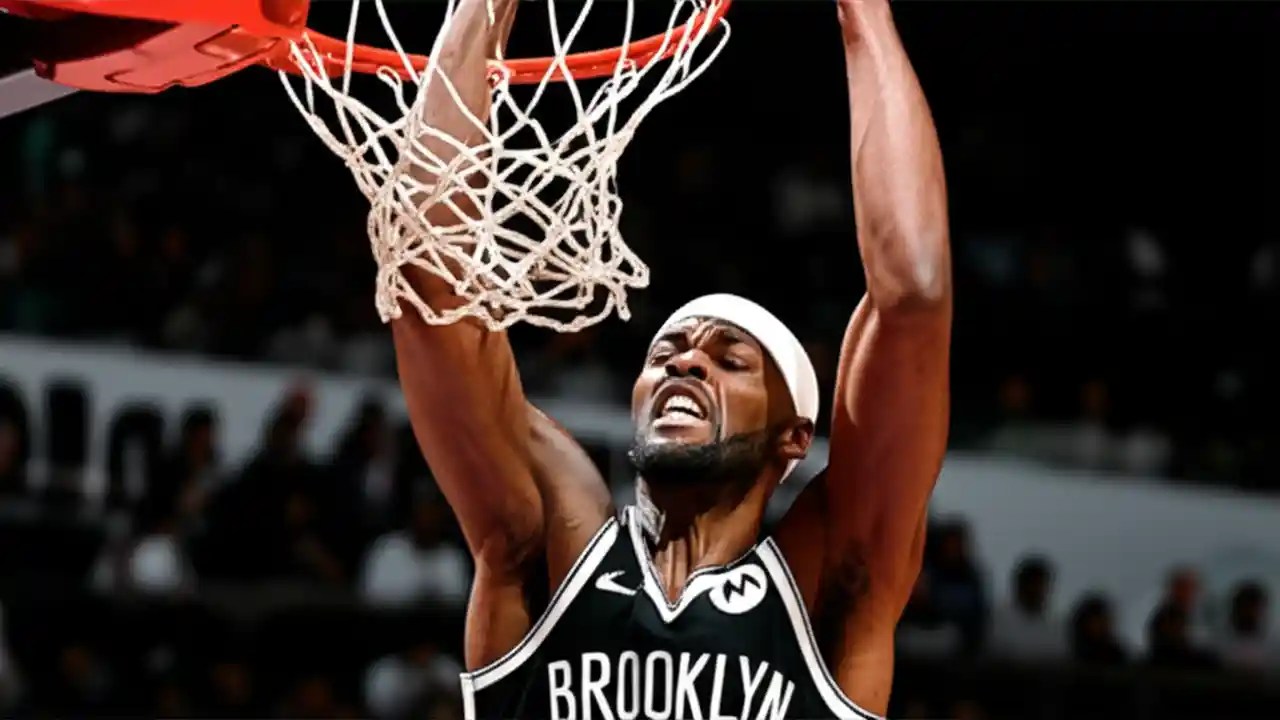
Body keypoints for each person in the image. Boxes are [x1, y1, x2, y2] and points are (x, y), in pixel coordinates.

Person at [390, 0, 950, 717]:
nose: (686, 365)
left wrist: (861, 14)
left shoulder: (823, 588)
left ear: (795, 437)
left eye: (731, 360)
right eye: (667, 353)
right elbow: (428, 282)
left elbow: (914, 293)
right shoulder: (554, 545)